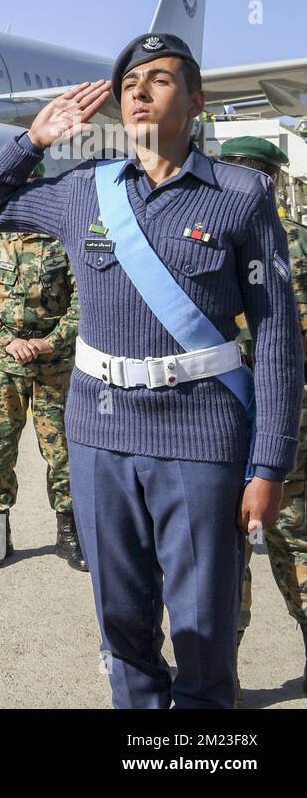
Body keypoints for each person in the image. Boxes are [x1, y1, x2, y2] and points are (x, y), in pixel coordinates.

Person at [0, 34, 303, 708]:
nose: (139, 90)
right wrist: (33, 141)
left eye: (160, 79)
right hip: (98, 438)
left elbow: (278, 339)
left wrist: (268, 467)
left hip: (201, 441)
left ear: (198, 101)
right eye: (129, 83)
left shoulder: (242, 195)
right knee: (121, 622)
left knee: (205, 629)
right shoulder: (82, 192)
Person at [0, 184, 87, 571]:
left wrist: (52, 341)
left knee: (63, 453)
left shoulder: (63, 242)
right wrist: (5, 339)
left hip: (54, 367)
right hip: (4, 367)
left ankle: (69, 533)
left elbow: (84, 299)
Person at [218, 136, 307, 698]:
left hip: (219, 427)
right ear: (273, 179)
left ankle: (216, 683)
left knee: (223, 562)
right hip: (294, 426)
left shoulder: (202, 242)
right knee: (298, 545)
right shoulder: (299, 243)